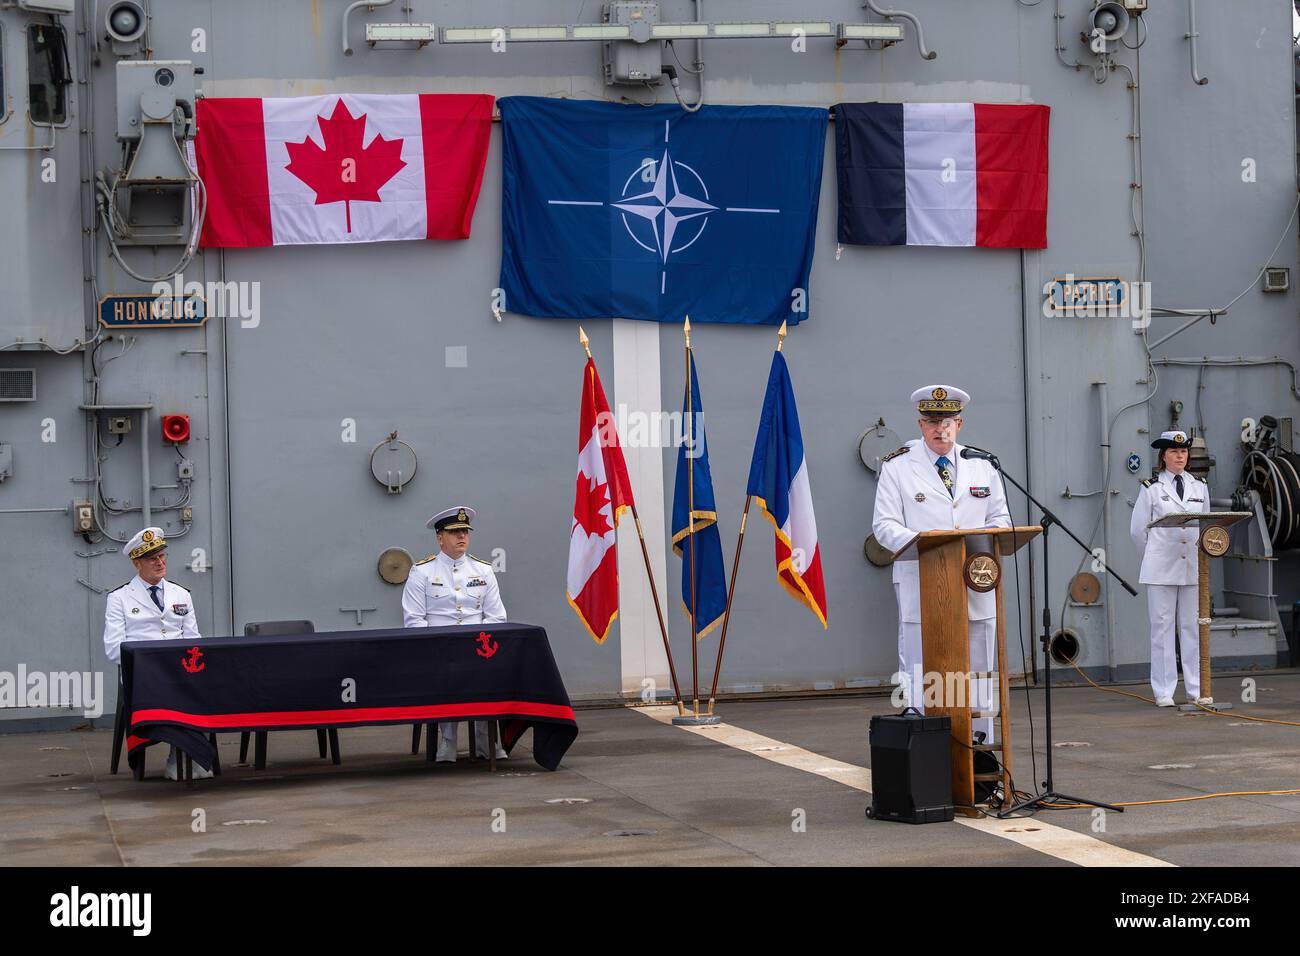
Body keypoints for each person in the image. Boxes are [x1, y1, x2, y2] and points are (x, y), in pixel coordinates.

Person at [871, 386, 1011, 743]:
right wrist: (928, 544)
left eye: (947, 422)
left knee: (979, 670)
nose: (940, 429)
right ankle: (927, 755)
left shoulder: (984, 465)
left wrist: (992, 534)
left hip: (975, 582)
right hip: (924, 582)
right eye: (933, 422)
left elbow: (1001, 519)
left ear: (959, 424)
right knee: (923, 671)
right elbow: (884, 526)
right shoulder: (897, 466)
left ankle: (979, 754)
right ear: (920, 424)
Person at [402, 506, 508, 762]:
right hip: (438, 649)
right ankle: (448, 741)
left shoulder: (483, 571)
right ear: (440, 538)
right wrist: (436, 646)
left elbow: (496, 616)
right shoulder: (422, 571)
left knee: (491, 672)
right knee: (444, 673)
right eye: (454, 532)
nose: (462, 536)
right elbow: (414, 620)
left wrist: (482, 646)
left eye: (465, 531)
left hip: (478, 648)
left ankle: (486, 739)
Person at [103, 526, 207, 780]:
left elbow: (193, 639)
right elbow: (114, 648)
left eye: (162, 556)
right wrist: (151, 663)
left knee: (205, 686)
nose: (160, 563)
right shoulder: (120, 598)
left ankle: (189, 755)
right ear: (137, 563)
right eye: (152, 559)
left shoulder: (180, 594)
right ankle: (180, 756)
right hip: (142, 675)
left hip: (181, 670)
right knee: (174, 691)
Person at [1129, 430, 1211, 707]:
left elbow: (1206, 528)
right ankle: (1164, 691)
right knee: (1162, 629)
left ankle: (1195, 689)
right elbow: (1138, 531)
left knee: (1191, 628)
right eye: (1174, 452)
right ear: (1163, 456)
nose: (1180, 456)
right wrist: (1154, 555)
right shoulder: (1151, 487)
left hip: (1190, 567)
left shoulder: (1199, 487)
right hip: (1160, 567)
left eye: (1184, 452)